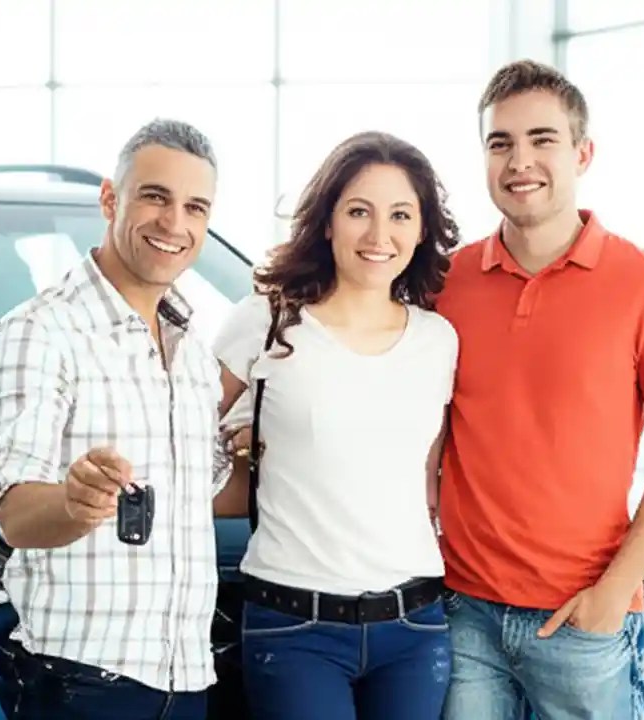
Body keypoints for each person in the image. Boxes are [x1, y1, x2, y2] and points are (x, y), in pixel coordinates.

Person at [436, 59, 644, 720]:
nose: (519, 159)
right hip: (464, 612)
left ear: (583, 153)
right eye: (500, 143)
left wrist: (615, 592)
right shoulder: (446, 283)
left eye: (541, 139)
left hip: (585, 618)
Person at [0, 118, 231, 720]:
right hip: (85, 684)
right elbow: (14, 509)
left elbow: (202, 495)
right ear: (111, 199)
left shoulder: (190, 349)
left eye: (196, 207)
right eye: (155, 197)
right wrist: (74, 501)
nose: (175, 224)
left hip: (187, 679)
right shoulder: (38, 335)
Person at [212, 130, 461, 720]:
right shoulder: (266, 321)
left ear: (422, 228)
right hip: (294, 627)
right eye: (358, 212)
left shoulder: (438, 341)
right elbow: (178, 439)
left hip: (415, 626)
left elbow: (429, 479)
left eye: (400, 214)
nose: (379, 236)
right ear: (327, 222)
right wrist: (245, 458)